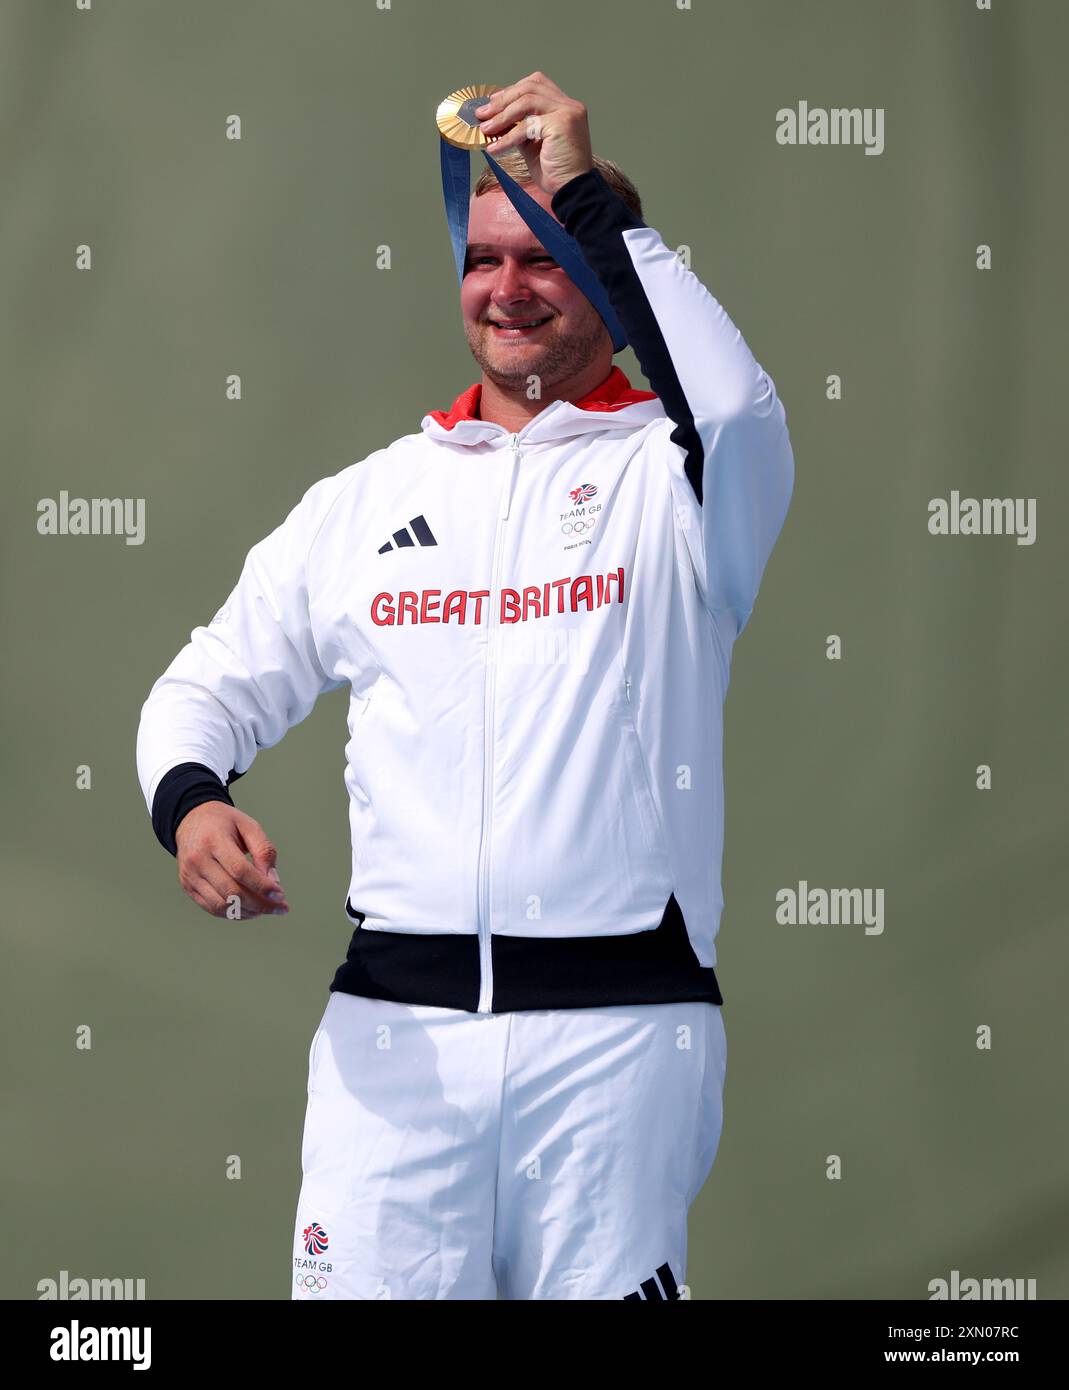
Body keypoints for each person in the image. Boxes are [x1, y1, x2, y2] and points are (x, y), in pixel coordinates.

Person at [135, 72, 794, 1300]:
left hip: (619, 1040)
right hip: (393, 1046)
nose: (506, 289)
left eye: (544, 254)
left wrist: (587, 190)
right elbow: (199, 689)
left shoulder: (679, 476)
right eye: (483, 259)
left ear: (600, 264)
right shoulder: (366, 500)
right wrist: (192, 803)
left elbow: (741, 409)